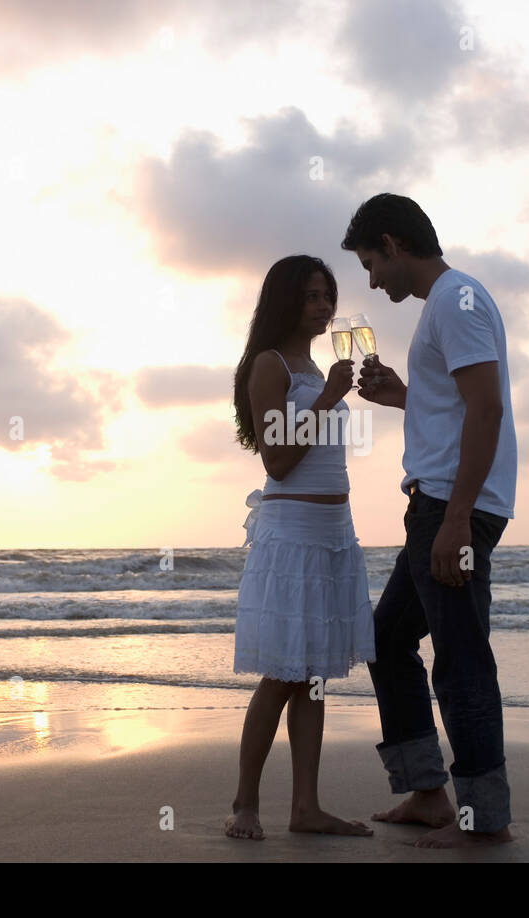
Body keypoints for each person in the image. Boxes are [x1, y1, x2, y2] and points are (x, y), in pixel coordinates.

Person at [342, 193, 518, 848]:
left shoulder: (456, 299)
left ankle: (483, 818)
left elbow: (488, 409)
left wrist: (457, 519)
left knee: (461, 658)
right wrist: (400, 398)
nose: (371, 279)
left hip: (451, 506)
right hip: (441, 502)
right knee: (387, 636)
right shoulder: (444, 307)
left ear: (393, 244)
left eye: (369, 263)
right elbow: (455, 407)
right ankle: (428, 794)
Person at [225, 254, 377, 840]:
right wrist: (325, 399)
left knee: (312, 675)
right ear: (287, 300)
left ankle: (306, 808)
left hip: (333, 535)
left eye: (327, 296)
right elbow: (279, 461)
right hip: (291, 538)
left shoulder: (314, 364)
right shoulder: (270, 366)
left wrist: (351, 391)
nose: (323, 307)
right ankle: (244, 802)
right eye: (313, 296)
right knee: (282, 675)